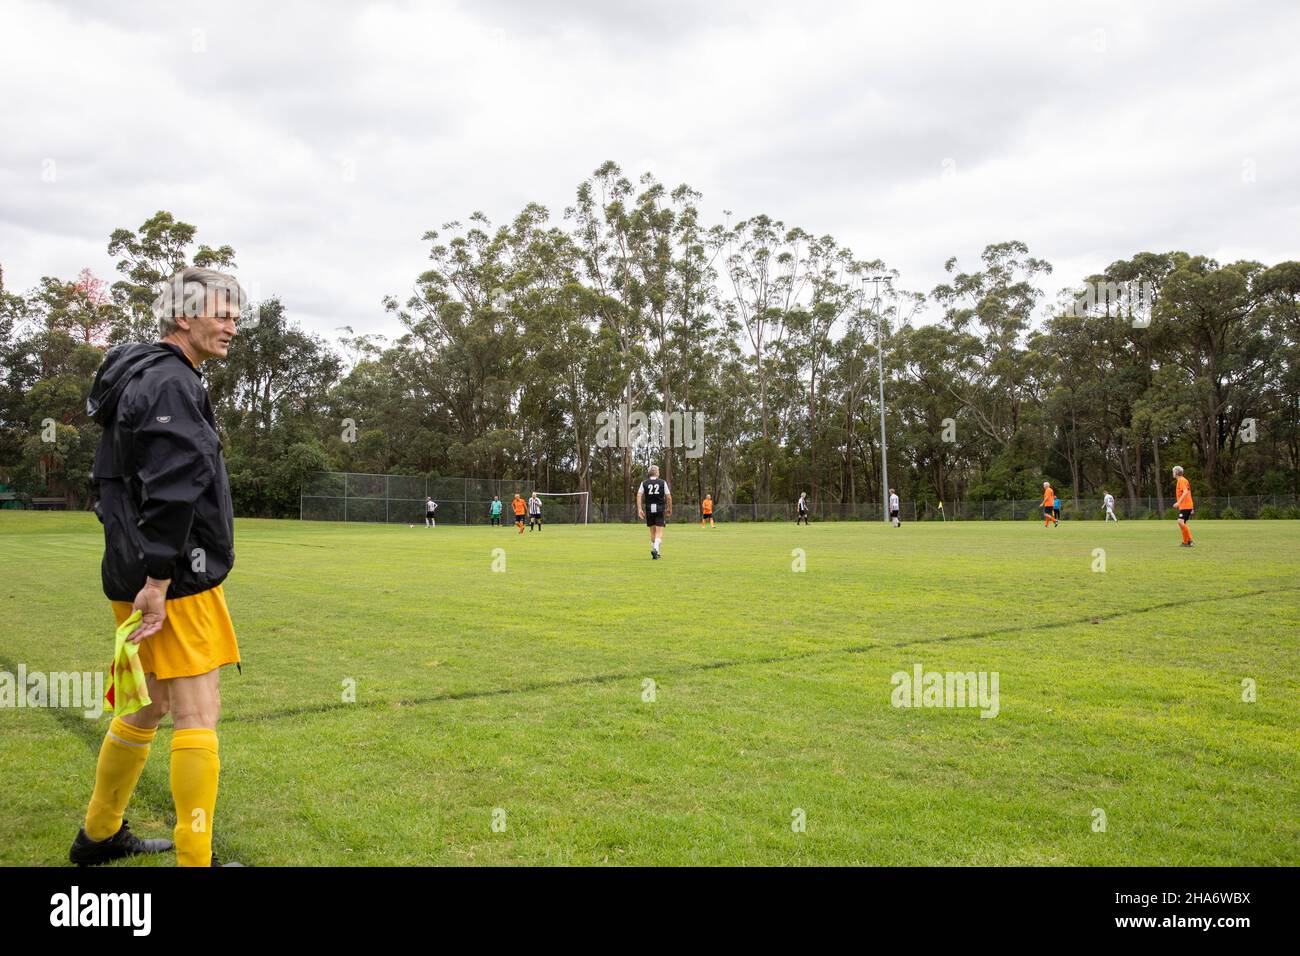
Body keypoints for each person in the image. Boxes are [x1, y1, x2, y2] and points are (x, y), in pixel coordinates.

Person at [71, 267, 247, 868]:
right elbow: (173, 489)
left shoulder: (135, 371)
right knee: (198, 712)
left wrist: (143, 572)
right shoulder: (171, 382)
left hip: (136, 567)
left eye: (235, 313)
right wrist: (159, 579)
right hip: (172, 577)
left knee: (145, 704)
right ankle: (196, 861)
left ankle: (98, 835)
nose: (233, 324)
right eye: (222, 313)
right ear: (183, 316)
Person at [637, 465, 672, 559]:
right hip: (660, 508)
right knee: (659, 532)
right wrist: (669, 508)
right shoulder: (662, 482)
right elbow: (668, 496)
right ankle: (655, 548)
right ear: (657, 472)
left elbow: (639, 495)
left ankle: (656, 552)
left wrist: (639, 509)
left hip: (649, 508)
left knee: (653, 532)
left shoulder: (644, 483)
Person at [1173, 466, 1195, 547]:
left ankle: (1190, 540)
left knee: (1180, 522)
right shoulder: (1183, 480)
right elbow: (1189, 493)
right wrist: (1192, 507)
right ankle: (1185, 542)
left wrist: (1178, 503)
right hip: (1186, 505)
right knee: (1182, 523)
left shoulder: (1181, 480)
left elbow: (1185, 492)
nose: (1173, 473)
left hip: (1185, 505)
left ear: (1176, 473)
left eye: (1173, 472)